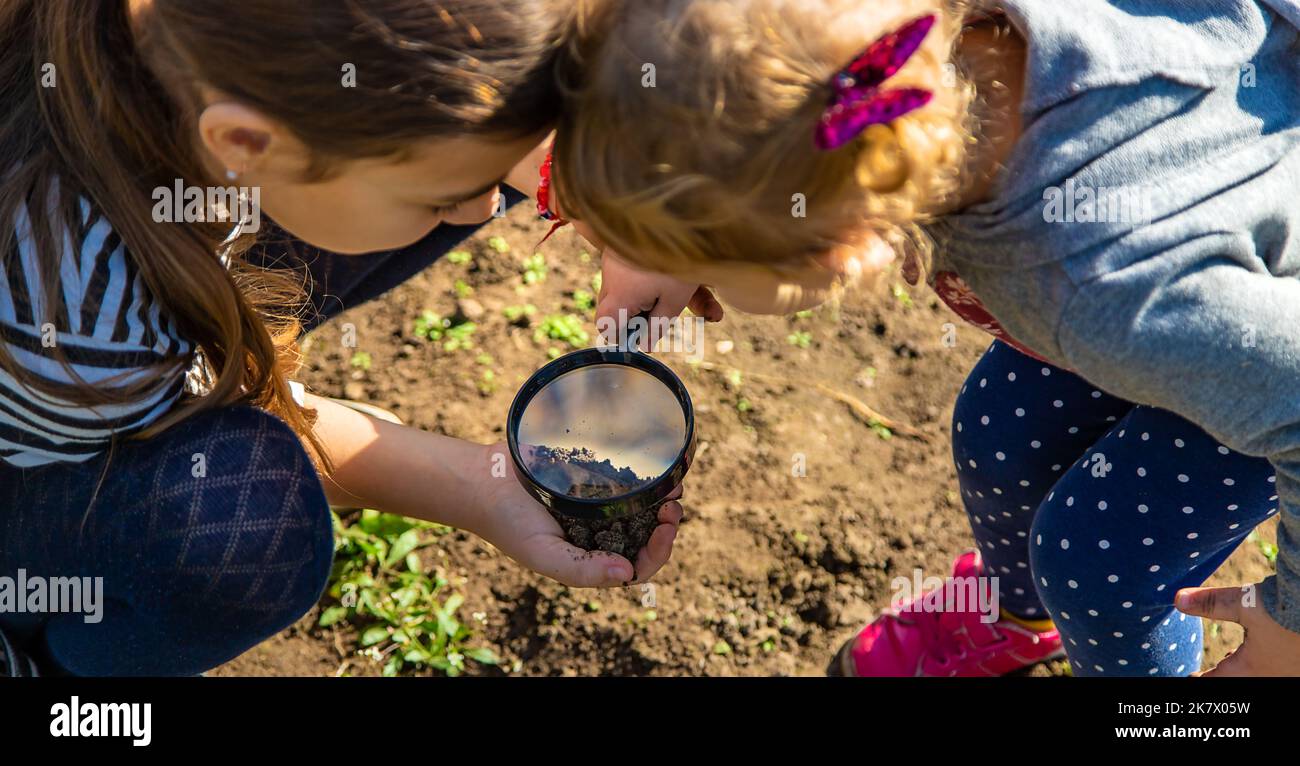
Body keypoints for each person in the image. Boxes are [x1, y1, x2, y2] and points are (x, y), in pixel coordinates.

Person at [552, 0, 1300, 676]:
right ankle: (1015, 615)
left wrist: (1288, 633)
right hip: (1208, 279)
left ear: (839, 256)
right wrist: (666, 221)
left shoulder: (1094, 287)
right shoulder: (912, 41)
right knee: (999, 432)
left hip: (1271, 350)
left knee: (1099, 566)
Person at [0, 0, 691, 677]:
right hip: (30, 474)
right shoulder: (80, 321)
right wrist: (473, 487)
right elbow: (216, 420)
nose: (483, 209)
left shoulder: (190, 58)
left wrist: (620, 202)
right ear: (245, 143)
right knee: (250, 518)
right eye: (443, 195)